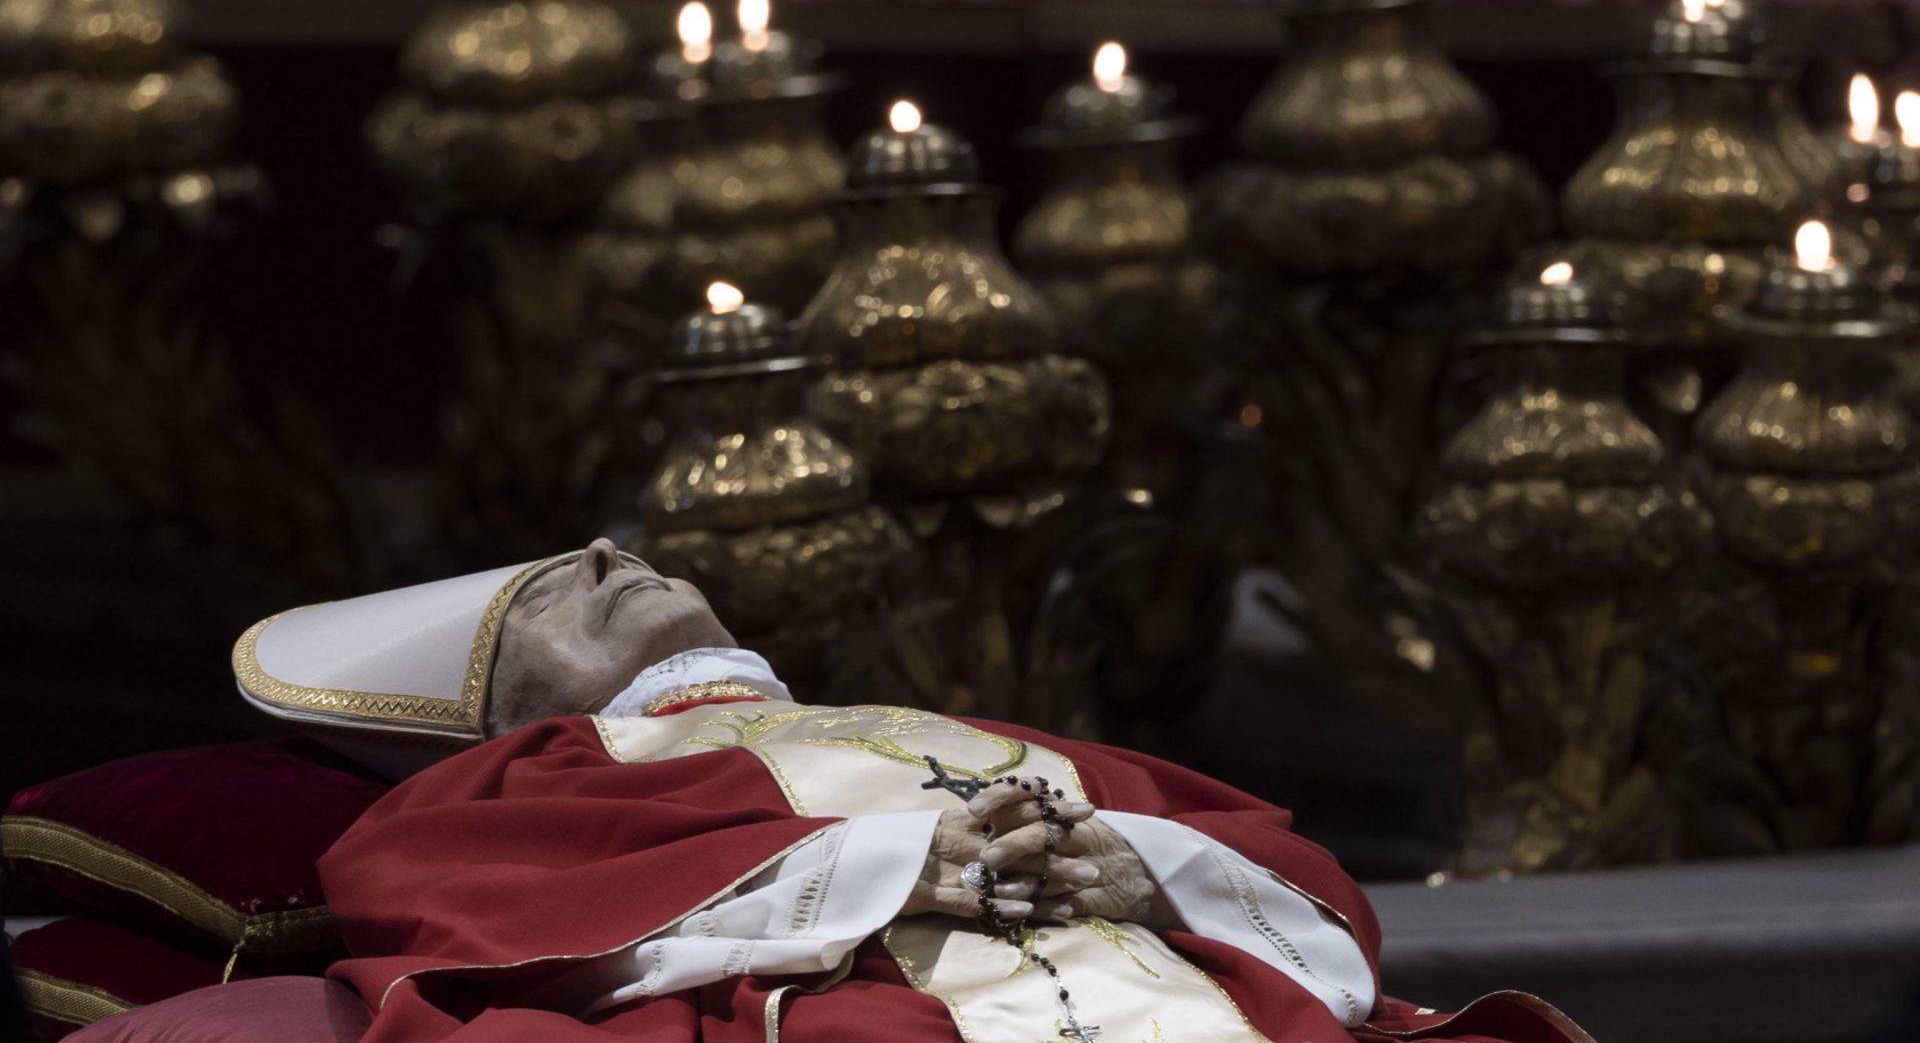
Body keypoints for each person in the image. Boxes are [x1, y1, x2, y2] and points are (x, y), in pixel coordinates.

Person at [230, 541, 1590, 1043]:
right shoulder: (547, 771)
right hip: (872, 1000)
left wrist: (1138, 866)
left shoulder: (935, 721)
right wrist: (893, 868)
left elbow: (1279, 861)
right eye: (556, 591)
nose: (607, 551)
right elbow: (464, 908)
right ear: (518, 702)